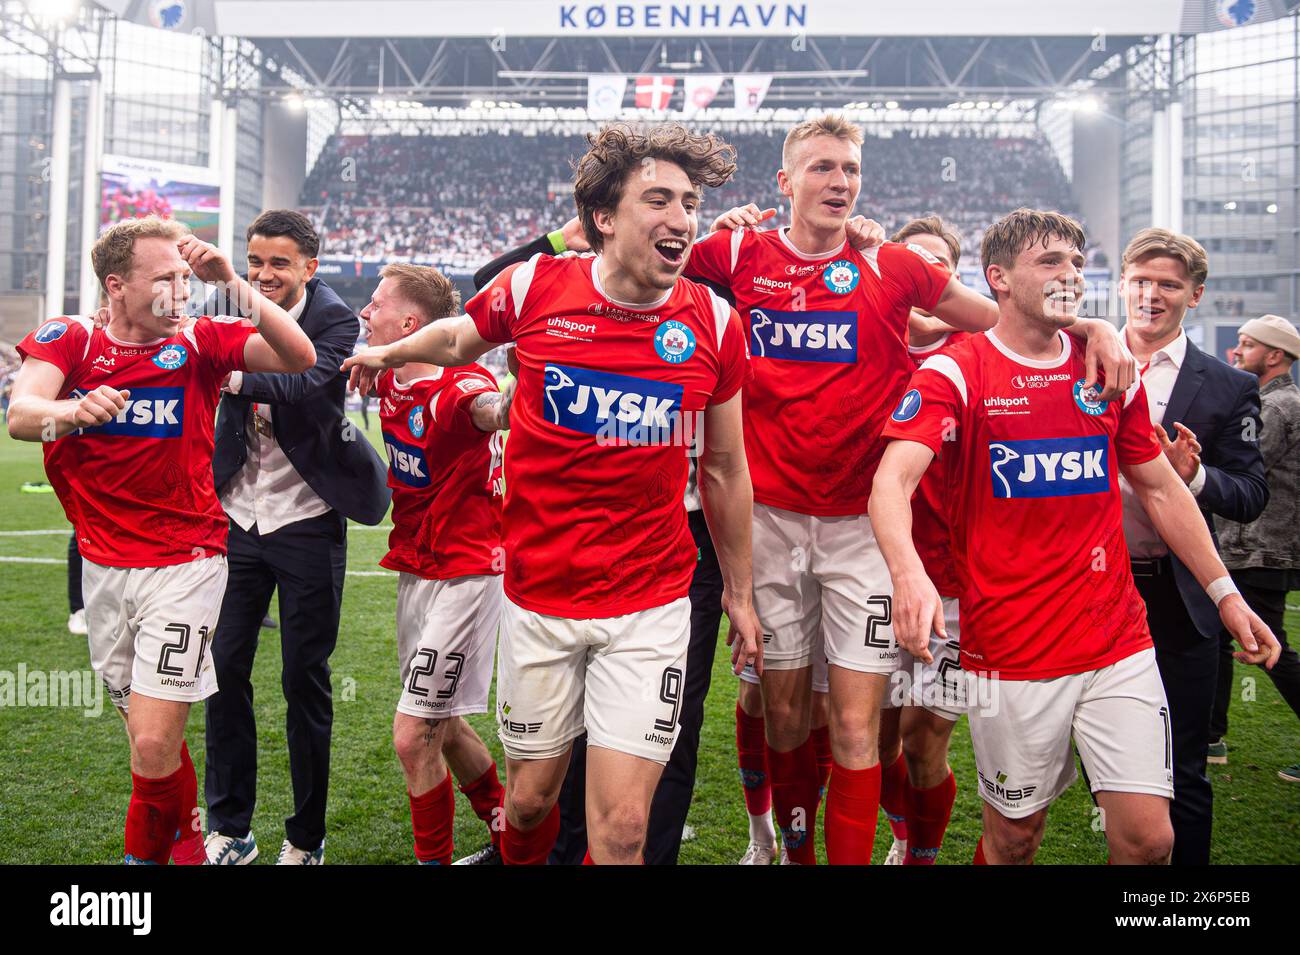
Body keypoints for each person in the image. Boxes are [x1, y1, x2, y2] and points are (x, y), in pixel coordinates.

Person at [683, 116, 1131, 864]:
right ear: (785, 182)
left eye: (851, 169)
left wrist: (1089, 328)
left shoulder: (894, 266)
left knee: (859, 728)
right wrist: (712, 219)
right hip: (770, 522)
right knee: (787, 714)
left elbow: (1006, 322)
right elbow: (638, 263)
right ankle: (792, 853)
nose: (840, 181)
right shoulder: (733, 251)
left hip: (863, 529)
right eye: (822, 167)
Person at [344, 121, 762, 865]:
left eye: (691, 203)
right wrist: (388, 350)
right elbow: (452, 340)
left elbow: (725, 467)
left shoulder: (715, 323)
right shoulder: (534, 288)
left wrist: (740, 591)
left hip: (651, 601)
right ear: (604, 217)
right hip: (538, 597)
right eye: (658, 199)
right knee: (531, 804)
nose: (682, 219)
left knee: (625, 829)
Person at [871, 208, 1279, 865]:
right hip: (1010, 649)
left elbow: (1160, 487)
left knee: (1152, 841)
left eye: (1077, 262)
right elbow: (891, 482)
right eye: (1049, 262)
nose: (1069, 273)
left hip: (1116, 638)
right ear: (998, 278)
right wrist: (908, 573)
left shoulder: (1108, 371)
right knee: (1014, 838)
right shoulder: (957, 372)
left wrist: (1226, 593)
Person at [7, 216, 315, 864]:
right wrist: (68, 411)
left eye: (186, 277)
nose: (181, 291)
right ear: (116, 286)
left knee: (150, 744)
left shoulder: (202, 340)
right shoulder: (71, 340)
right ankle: (187, 846)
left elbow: (299, 356)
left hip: (187, 563)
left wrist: (229, 281)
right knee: (151, 743)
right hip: (102, 567)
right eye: (165, 279)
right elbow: (23, 413)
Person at [203, 210, 391, 866]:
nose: (262, 274)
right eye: (254, 261)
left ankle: (305, 837)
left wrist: (228, 376)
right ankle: (230, 824)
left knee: (303, 678)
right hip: (237, 516)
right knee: (222, 669)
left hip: (308, 516)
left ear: (311, 265)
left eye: (279, 263)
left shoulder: (337, 318)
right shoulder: (224, 300)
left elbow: (308, 382)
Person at [1116, 227, 1269, 865]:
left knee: (1183, 771)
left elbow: (1251, 491)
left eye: (1168, 286)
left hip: (1180, 598)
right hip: (1092, 586)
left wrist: (1194, 478)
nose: (1151, 296)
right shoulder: (1076, 357)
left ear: (1195, 296)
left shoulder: (1227, 386)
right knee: (1091, 769)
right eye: (1141, 282)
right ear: (1123, 284)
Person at [361, 263, 511, 865]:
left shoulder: (456, 386)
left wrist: (511, 401)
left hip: (467, 572)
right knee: (441, 725)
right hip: (419, 566)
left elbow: (485, 409)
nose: (365, 315)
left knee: (413, 733)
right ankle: (511, 837)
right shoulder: (393, 379)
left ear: (409, 323)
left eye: (375, 305)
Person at [875, 215, 970, 866]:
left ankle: (923, 854)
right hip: (867, 578)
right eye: (914, 263)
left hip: (958, 588)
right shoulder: (867, 347)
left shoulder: (974, 357)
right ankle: (903, 829)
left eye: (939, 267)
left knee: (926, 734)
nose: (926, 276)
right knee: (873, 739)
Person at [1213, 314, 1300, 782]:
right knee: (1219, 638)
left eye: (1246, 346)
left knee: (1271, 647)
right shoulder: (1273, 402)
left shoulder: (1279, 407)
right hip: (1247, 545)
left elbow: (1240, 466)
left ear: (1274, 355)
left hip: (1260, 547)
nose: (1236, 352)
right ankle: (1210, 736)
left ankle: (1210, 734)